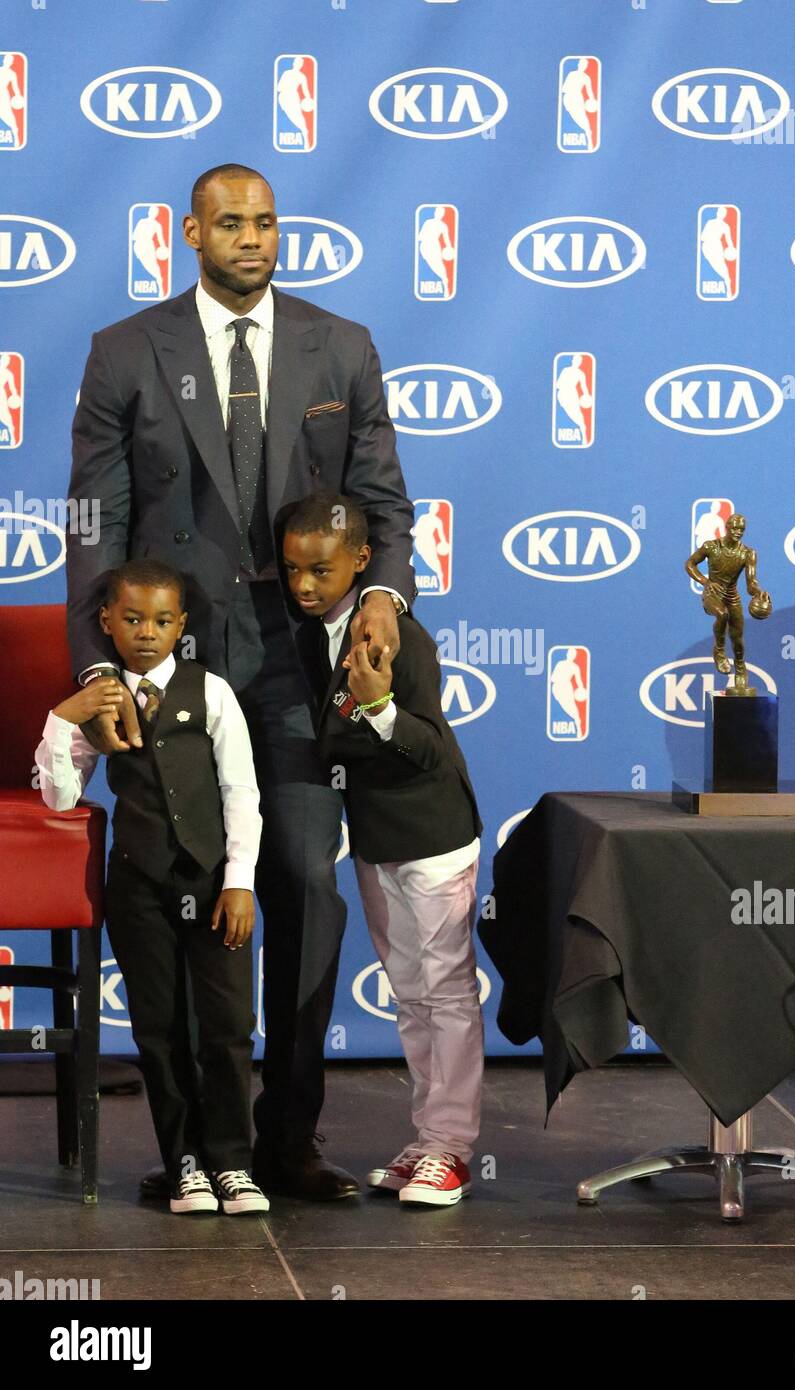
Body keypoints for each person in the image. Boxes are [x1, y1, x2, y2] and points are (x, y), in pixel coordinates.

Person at [66, 163, 415, 1202]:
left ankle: (285, 1139)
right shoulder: (125, 352)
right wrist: (100, 667)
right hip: (169, 671)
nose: (253, 239)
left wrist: (383, 603)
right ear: (190, 233)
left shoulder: (340, 346)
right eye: (231, 224)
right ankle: (191, 1147)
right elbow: (93, 525)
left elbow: (384, 508)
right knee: (181, 906)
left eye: (266, 222)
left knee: (303, 884)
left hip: (299, 673)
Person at [35, 560, 267, 1215]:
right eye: (132, 619)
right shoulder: (99, 704)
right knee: (158, 1031)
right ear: (105, 622)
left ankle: (233, 1164)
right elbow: (59, 796)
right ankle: (185, 1166)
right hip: (139, 891)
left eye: (162, 620)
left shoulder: (211, 692)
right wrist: (62, 720)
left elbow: (240, 791)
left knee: (226, 1029)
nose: (146, 632)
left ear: (182, 625)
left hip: (215, 885)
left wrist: (241, 881)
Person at [282, 493, 483, 1208]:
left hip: (432, 838)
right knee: (411, 997)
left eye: (321, 569)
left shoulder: (401, 639)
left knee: (447, 992)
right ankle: (428, 1139)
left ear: (362, 561)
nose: (304, 584)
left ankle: (452, 1149)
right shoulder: (311, 636)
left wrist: (379, 707)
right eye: (293, 570)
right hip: (375, 845)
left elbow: (428, 748)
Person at [685, 512, 770, 690]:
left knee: (738, 637)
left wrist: (758, 592)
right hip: (712, 594)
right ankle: (719, 651)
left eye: (742, 529)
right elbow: (690, 564)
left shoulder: (748, 553)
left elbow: (751, 583)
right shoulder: (711, 547)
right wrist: (705, 582)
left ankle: (740, 668)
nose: (738, 532)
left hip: (732, 596)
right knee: (722, 614)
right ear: (727, 528)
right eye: (735, 528)